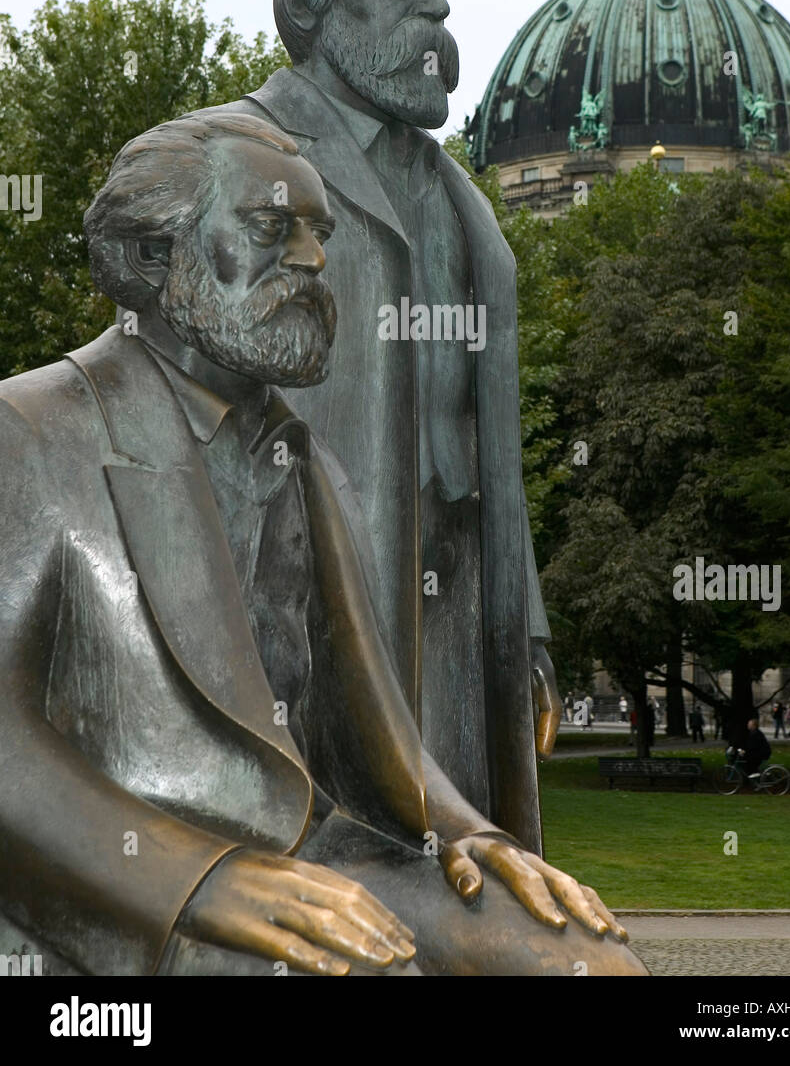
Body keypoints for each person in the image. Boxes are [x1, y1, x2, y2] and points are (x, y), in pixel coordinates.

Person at [0, 114, 646, 978]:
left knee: (582, 959)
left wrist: (468, 830)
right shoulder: (28, 430)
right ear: (153, 255)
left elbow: (362, 726)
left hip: (314, 849)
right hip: (125, 883)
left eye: (319, 233)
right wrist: (197, 879)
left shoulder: (302, 459)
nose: (310, 259)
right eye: (271, 227)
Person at [181, 0, 560, 851]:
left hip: (458, 594)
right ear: (308, 6)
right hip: (300, 591)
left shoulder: (459, 195)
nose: (436, 7)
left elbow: (487, 436)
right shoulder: (223, 155)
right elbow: (167, 393)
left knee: (465, 874)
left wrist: (527, 628)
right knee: (323, 868)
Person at [738, 717, 772, 782]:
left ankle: (756, 774)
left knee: (750, 760)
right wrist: (743, 749)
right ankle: (754, 775)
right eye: (748, 724)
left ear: (754, 726)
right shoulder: (753, 732)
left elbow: (752, 746)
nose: (748, 725)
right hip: (759, 752)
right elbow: (748, 744)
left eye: (749, 724)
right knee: (747, 759)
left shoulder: (756, 734)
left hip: (763, 753)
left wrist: (744, 751)